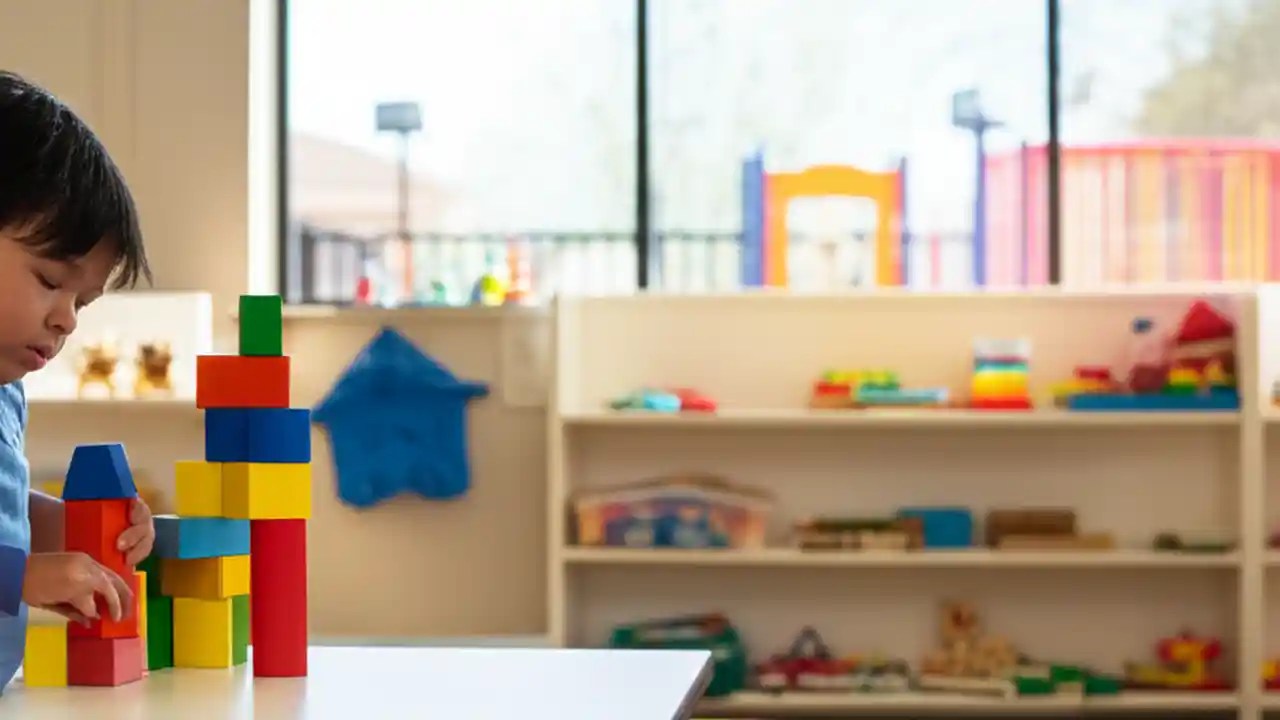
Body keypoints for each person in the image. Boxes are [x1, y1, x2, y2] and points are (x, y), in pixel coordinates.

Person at [0, 71, 156, 691]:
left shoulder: (6, 389)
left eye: (82, 303)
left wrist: (81, 528)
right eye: (48, 280)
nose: (66, 319)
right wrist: (18, 576)